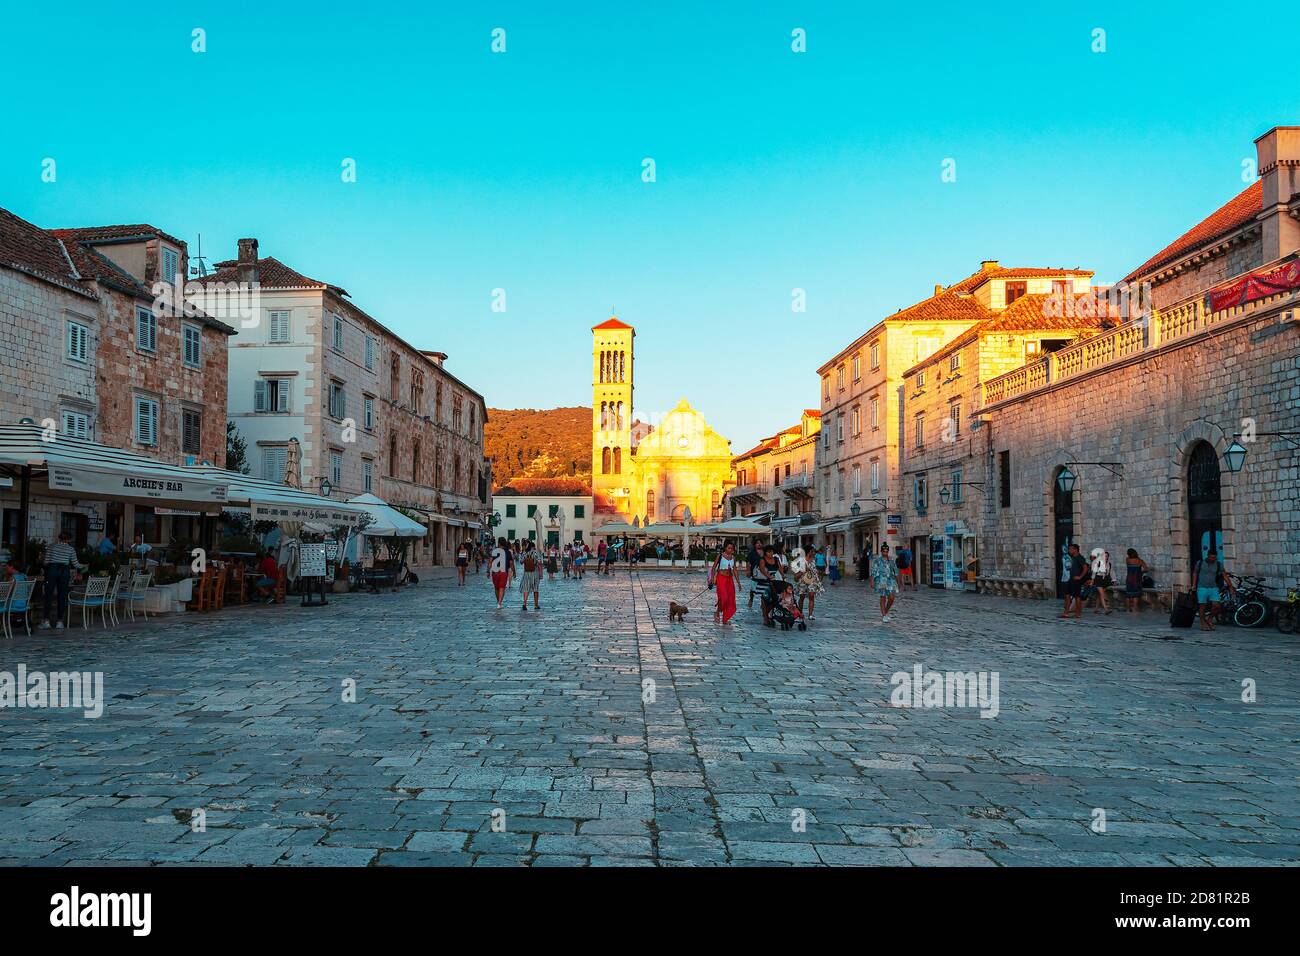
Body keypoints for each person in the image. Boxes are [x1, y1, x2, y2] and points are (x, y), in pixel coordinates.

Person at [39, 531, 79, 630]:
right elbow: (76, 564)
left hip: (52, 570)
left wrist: (42, 561)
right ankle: (59, 622)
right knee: (62, 596)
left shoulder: (51, 546)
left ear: (59, 538)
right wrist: (85, 566)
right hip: (65, 571)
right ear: (69, 539)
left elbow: (46, 562)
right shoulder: (71, 549)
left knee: (48, 595)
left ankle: (46, 621)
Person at [1194, 549, 1234, 631]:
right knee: (1202, 606)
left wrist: (1230, 586)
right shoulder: (1200, 563)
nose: (1213, 559)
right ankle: (1203, 623)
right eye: (1211, 557)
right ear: (1208, 556)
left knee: (1217, 606)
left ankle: (1209, 619)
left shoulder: (1219, 564)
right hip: (1202, 587)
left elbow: (1224, 575)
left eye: (1214, 557)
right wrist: (1194, 585)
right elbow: (1195, 573)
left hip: (1213, 587)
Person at [712, 541, 741, 625]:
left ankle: (724, 616)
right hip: (721, 578)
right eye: (729, 548)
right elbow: (714, 567)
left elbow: (734, 569)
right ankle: (717, 612)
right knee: (724, 598)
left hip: (729, 579)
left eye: (732, 548)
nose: (730, 550)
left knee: (730, 599)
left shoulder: (733, 557)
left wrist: (738, 582)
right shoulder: (720, 556)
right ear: (725, 548)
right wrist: (712, 579)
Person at [870, 543, 900, 622]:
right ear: (881, 552)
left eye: (886, 551)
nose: (885, 553)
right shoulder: (878, 561)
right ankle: (884, 615)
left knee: (891, 597)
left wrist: (898, 582)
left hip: (890, 580)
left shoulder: (891, 560)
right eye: (884, 551)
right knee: (883, 597)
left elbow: (896, 571)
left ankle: (885, 612)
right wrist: (872, 581)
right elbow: (873, 571)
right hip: (881, 580)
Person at [1060, 543, 1088, 619]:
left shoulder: (1080, 557)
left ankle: (1078, 613)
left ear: (1075, 550)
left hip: (1076, 580)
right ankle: (1066, 613)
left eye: (1070, 549)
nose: (1069, 550)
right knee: (1067, 595)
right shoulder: (1072, 558)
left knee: (1077, 596)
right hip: (1070, 579)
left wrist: (1080, 577)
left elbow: (1085, 568)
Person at [1123, 548, 1151, 614]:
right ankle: (1135, 609)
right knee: (1136, 595)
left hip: (1129, 578)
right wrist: (1141, 572)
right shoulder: (1140, 561)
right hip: (1136, 579)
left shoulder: (1127, 560)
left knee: (1128, 594)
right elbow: (1146, 569)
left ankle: (1128, 609)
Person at [489, 537, 513, 609]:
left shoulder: (494, 551)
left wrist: (488, 571)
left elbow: (490, 561)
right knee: (502, 588)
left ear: (498, 543)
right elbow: (511, 563)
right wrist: (513, 571)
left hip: (495, 572)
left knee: (496, 588)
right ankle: (499, 603)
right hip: (503, 572)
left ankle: (498, 601)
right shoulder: (508, 552)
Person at [519, 540, 543, 611]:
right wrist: (541, 573)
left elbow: (521, 562)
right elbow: (539, 562)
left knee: (526, 588)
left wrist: (526, 560)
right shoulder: (536, 553)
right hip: (534, 572)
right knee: (535, 588)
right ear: (533, 546)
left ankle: (524, 603)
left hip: (526, 572)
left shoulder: (524, 553)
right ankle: (536, 605)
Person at [1089, 548, 1113, 614]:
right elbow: (1094, 572)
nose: (1106, 557)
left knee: (1100, 595)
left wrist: (1114, 580)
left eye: (1107, 556)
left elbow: (1111, 572)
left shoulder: (1109, 564)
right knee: (1102, 594)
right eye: (1105, 556)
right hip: (1098, 579)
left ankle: (1096, 609)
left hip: (1105, 580)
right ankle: (1106, 609)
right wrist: (1092, 580)